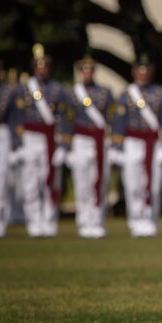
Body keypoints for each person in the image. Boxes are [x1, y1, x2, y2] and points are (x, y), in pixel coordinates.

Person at [112, 54, 162, 237]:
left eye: (146, 71)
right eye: (140, 71)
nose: (143, 74)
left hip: (154, 143)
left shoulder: (161, 93)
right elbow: (119, 122)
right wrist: (117, 147)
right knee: (133, 185)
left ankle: (151, 220)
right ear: (134, 72)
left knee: (154, 185)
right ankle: (136, 221)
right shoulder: (126, 95)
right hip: (133, 142)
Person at [58, 56, 116, 238]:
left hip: (99, 141)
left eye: (90, 70)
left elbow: (112, 118)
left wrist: (114, 143)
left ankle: (97, 221)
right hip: (81, 140)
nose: (87, 73)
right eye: (84, 70)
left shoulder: (105, 92)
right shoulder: (72, 94)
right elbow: (66, 120)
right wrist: (66, 147)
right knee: (82, 184)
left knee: (100, 182)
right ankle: (84, 221)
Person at [16, 44, 65, 237]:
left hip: (50, 139)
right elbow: (17, 117)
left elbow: (64, 117)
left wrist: (63, 145)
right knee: (31, 183)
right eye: (39, 66)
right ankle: (34, 222)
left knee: (50, 180)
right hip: (31, 137)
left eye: (45, 66)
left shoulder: (57, 89)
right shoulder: (23, 89)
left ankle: (49, 221)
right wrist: (18, 144)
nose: (42, 69)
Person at [0, 49, 23, 238]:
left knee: (0, 181)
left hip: (0, 132)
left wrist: (15, 146)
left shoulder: (7, 92)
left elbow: (14, 120)